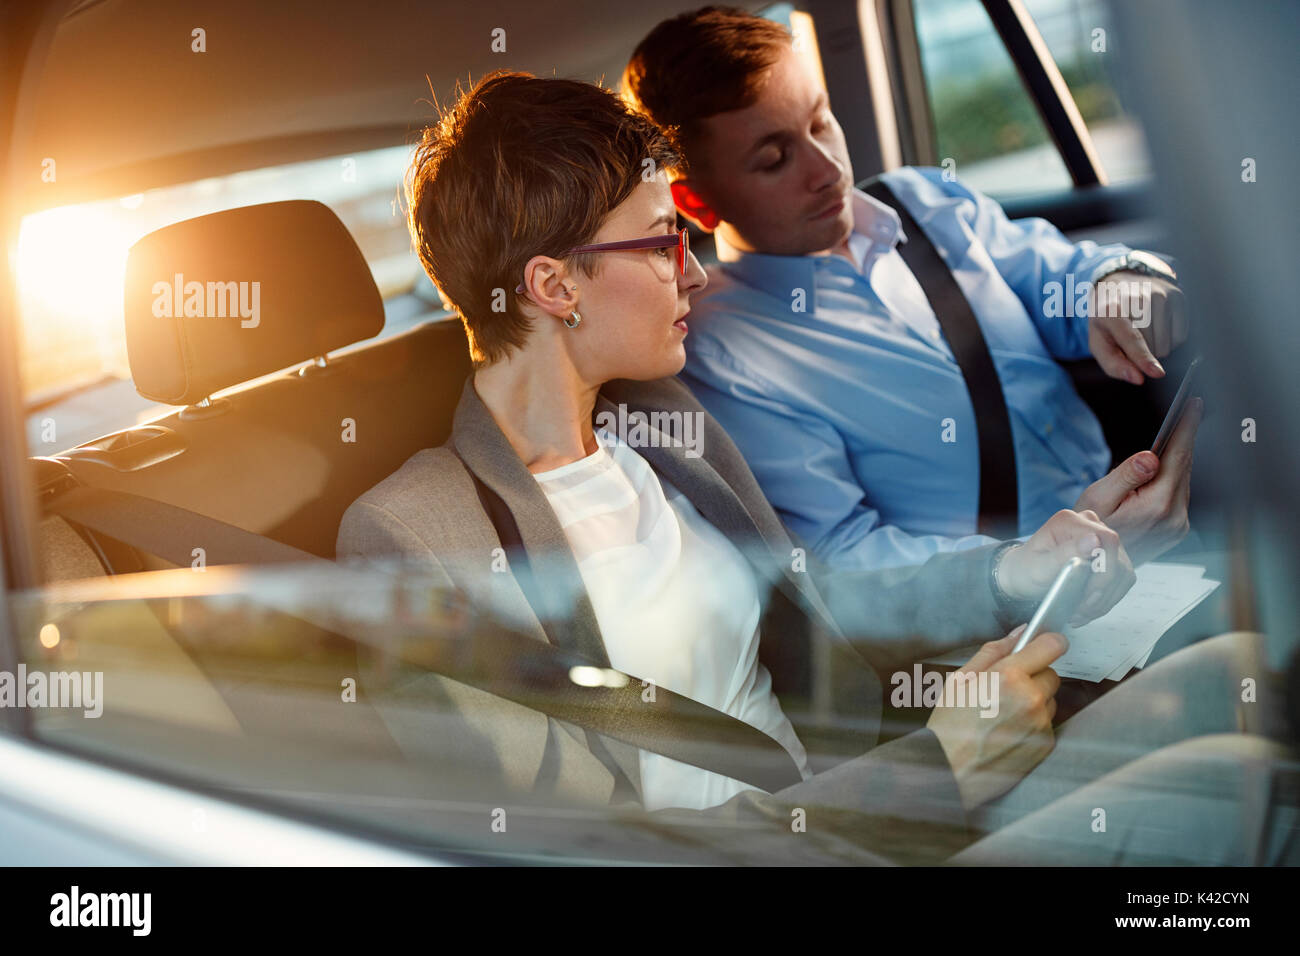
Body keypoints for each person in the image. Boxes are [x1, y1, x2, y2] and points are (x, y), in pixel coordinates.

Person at [336, 71, 1294, 865]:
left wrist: (1024, 569)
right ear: (553, 285)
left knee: (1237, 677)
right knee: (1240, 789)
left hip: (875, 808)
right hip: (847, 826)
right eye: (664, 240)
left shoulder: (655, 427)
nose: (697, 272)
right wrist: (935, 769)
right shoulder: (418, 534)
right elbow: (577, 847)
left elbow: (817, 595)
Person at [621, 6, 1197, 573]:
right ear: (696, 203)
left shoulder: (920, 201)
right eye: (775, 159)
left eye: (820, 122)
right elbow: (845, 557)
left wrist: (1117, 283)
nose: (827, 169)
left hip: (1146, 518)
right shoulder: (722, 351)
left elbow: (1054, 274)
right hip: (1007, 620)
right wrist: (1038, 568)